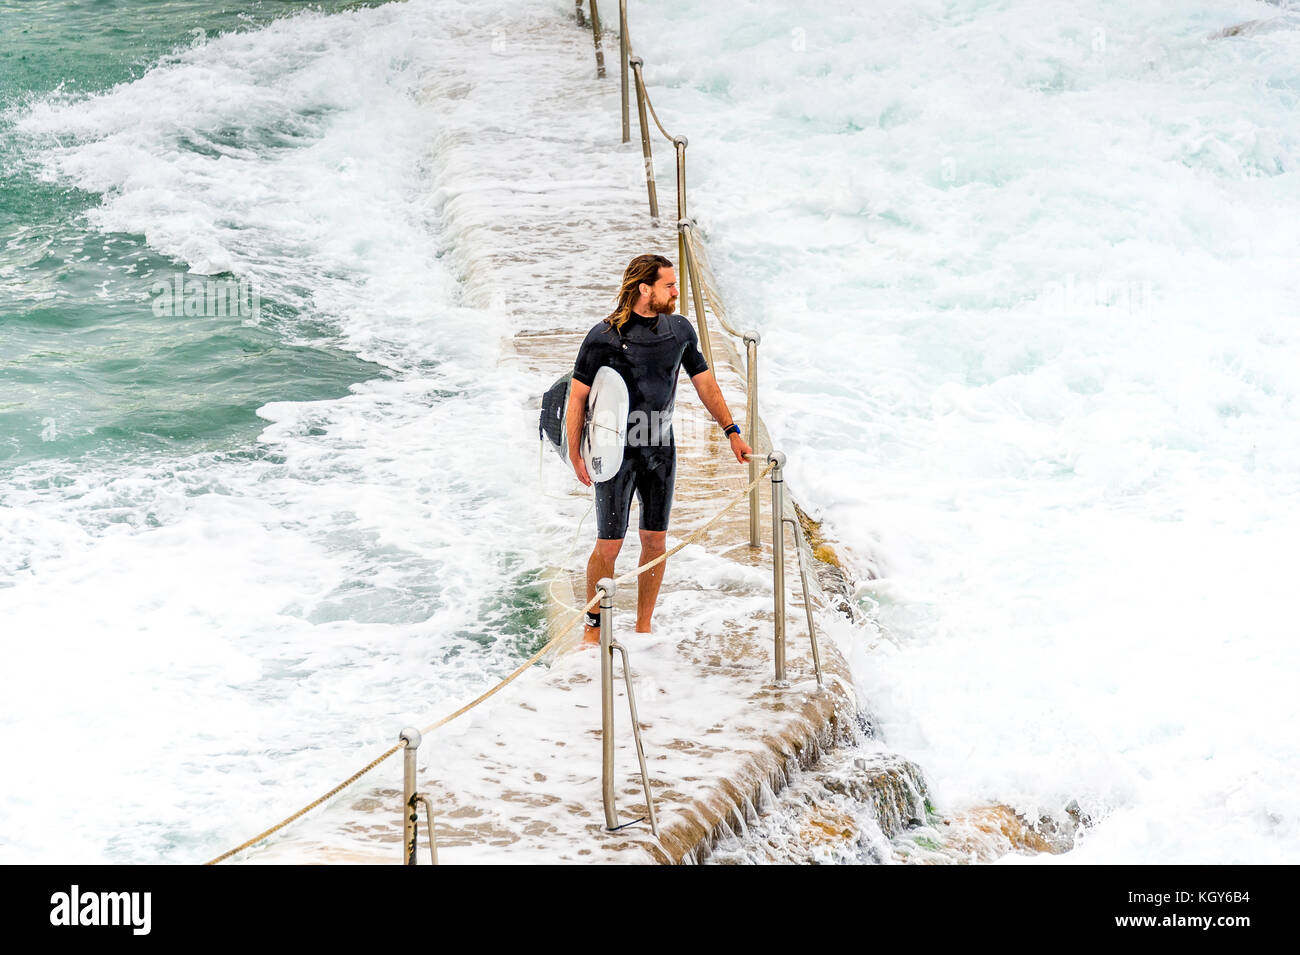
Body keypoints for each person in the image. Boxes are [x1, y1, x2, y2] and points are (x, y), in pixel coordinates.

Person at [566, 253, 754, 644]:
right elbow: (577, 398)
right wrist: (575, 452)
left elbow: (705, 384)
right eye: (669, 285)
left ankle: (643, 627)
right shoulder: (603, 338)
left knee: (655, 541)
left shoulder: (679, 331)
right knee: (609, 543)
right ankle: (593, 628)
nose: (676, 290)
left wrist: (732, 430)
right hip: (616, 451)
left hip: (660, 448)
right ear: (644, 288)